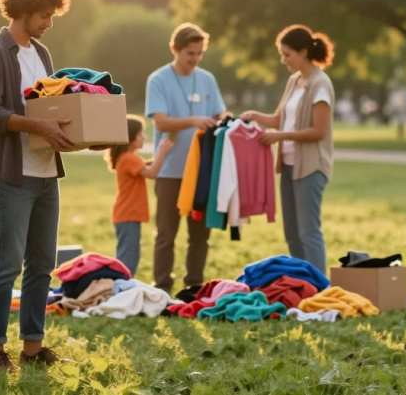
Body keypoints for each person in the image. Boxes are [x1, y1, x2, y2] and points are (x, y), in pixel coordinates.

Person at [0, 0, 73, 372]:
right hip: (13, 174)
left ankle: (33, 347)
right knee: (8, 262)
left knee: (43, 263)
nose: (49, 23)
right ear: (24, 11)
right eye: (45, 15)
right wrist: (38, 126)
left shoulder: (42, 54)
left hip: (47, 172)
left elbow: (51, 106)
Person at [240, 25, 335, 274]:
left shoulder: (320, 85)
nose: (284, 60)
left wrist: (279, 136)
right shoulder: (294, 81)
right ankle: (303, 282)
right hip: (290, 165)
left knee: (308, 232)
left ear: (303, 52)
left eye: (287, 54)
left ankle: (320, 287)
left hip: (311, 167)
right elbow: (279, 119)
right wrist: (256, 116)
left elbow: (319, 131)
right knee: (292, 233)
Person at [145, 23, 226, 295]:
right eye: (190, 53)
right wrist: (194, 121)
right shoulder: (158, 80)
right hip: (170, 170)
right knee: (166, 234)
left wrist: (228, 120)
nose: (195, 59)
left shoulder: (207, 79)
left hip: (202, 171)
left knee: (200, 235)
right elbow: (161, 121)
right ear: (175, 49)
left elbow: (218, 113)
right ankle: (163, 288)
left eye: (199, 53)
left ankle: (194, 286)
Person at [106, 115, 174, 276]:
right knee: (128, 260)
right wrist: (162, 153)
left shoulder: (128, 159)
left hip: (127, 215)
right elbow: (152, 173)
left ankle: (121, 287)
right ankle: (120, 288)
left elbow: (146, 165)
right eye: (140, 134)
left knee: (130, 256)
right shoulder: (129, 159)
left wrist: (158, 158)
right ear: (129, 137)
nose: (144, 137)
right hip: (128, 215)